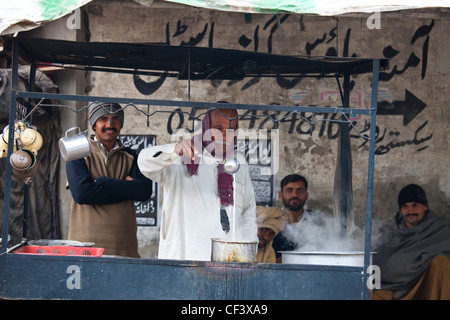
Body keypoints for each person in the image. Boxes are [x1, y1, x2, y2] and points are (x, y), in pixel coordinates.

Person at [137, 107, 257, 261]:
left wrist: (249, 254)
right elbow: (144, 163)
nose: (225, 135)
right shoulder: (181, 156)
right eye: (218, 128)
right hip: (185, 257)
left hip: (228, 263)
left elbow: (248, 210)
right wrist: (173, 151)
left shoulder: (238, 163)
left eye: (231, 129)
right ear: (206, 127)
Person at [66, 102, 153, 258]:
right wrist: (126, 188)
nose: (110, 124)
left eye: (116, 119)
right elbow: (82, 194)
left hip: (124, 247)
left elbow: (144, 192)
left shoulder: (131, 156)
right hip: (85, 247)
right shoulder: (77, 152)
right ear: (93, 125)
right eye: (103, 119)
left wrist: (103, 182)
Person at [372, 184, 450, 300]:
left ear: (425, 207)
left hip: (424, 286)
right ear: (400, 209)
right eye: (405, 206)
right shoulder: (390, 232)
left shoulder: (440, 230)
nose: (410, 211)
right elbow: (378, 264)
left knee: (441, 262)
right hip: (394, 288)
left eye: (415, 205)